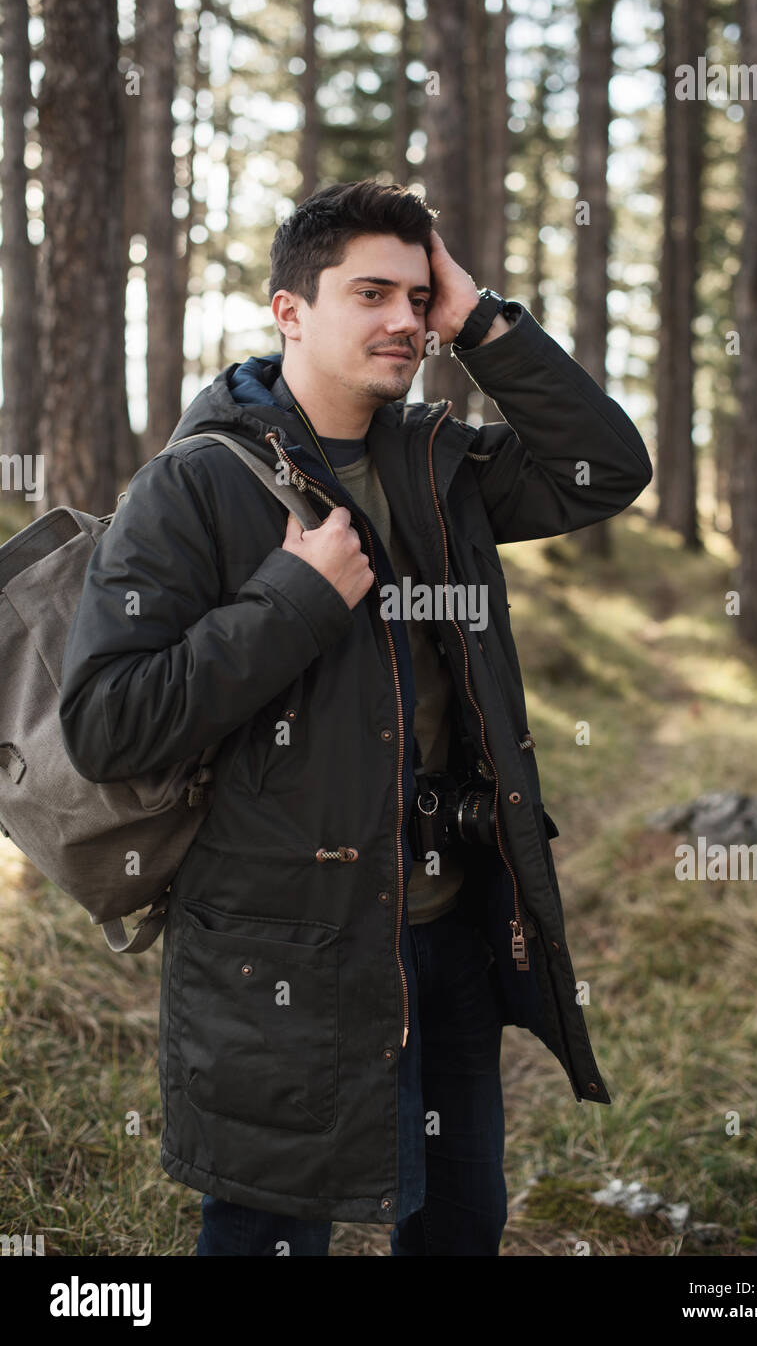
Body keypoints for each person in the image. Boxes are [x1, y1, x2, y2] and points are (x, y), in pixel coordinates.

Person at [59, 179, 653, 1256]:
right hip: (282, 952)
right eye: (370, 292)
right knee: (267, 1234)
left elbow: (605, 469)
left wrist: (484, 322)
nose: (405, 320)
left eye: (419, 297)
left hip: (448, 933)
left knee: (461, 1223)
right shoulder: (191, 487)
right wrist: (289, 604)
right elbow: (105, 722)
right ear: (290, 311)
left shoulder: (441, 464)